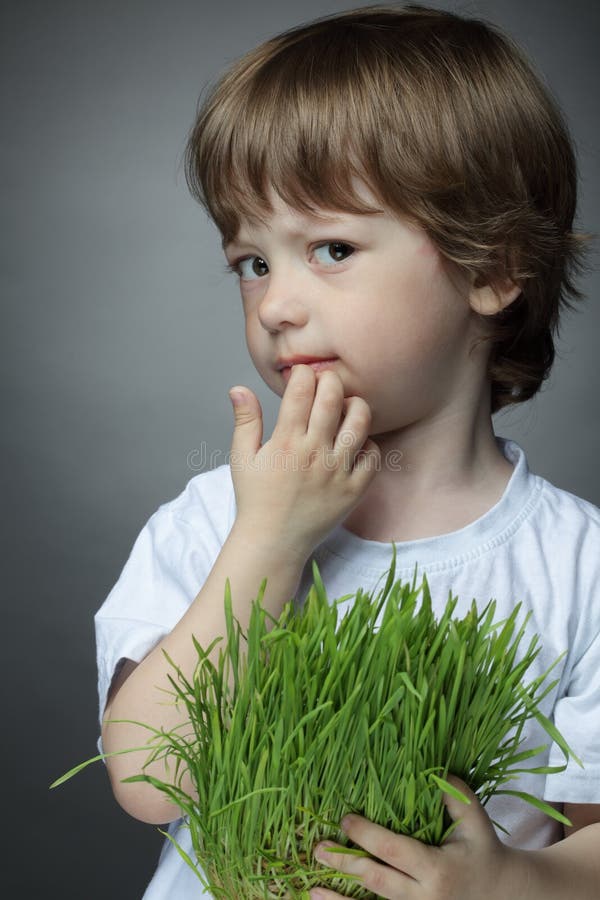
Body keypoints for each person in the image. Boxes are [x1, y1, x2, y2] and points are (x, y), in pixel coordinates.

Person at [95, 4, 600, 898]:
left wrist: (511, 883)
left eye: (330, 248)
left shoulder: (579, 564)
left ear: (491, 268)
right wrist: (270, 542)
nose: (276, 305)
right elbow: (142, 779)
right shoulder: (210, 523)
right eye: (252, 261)